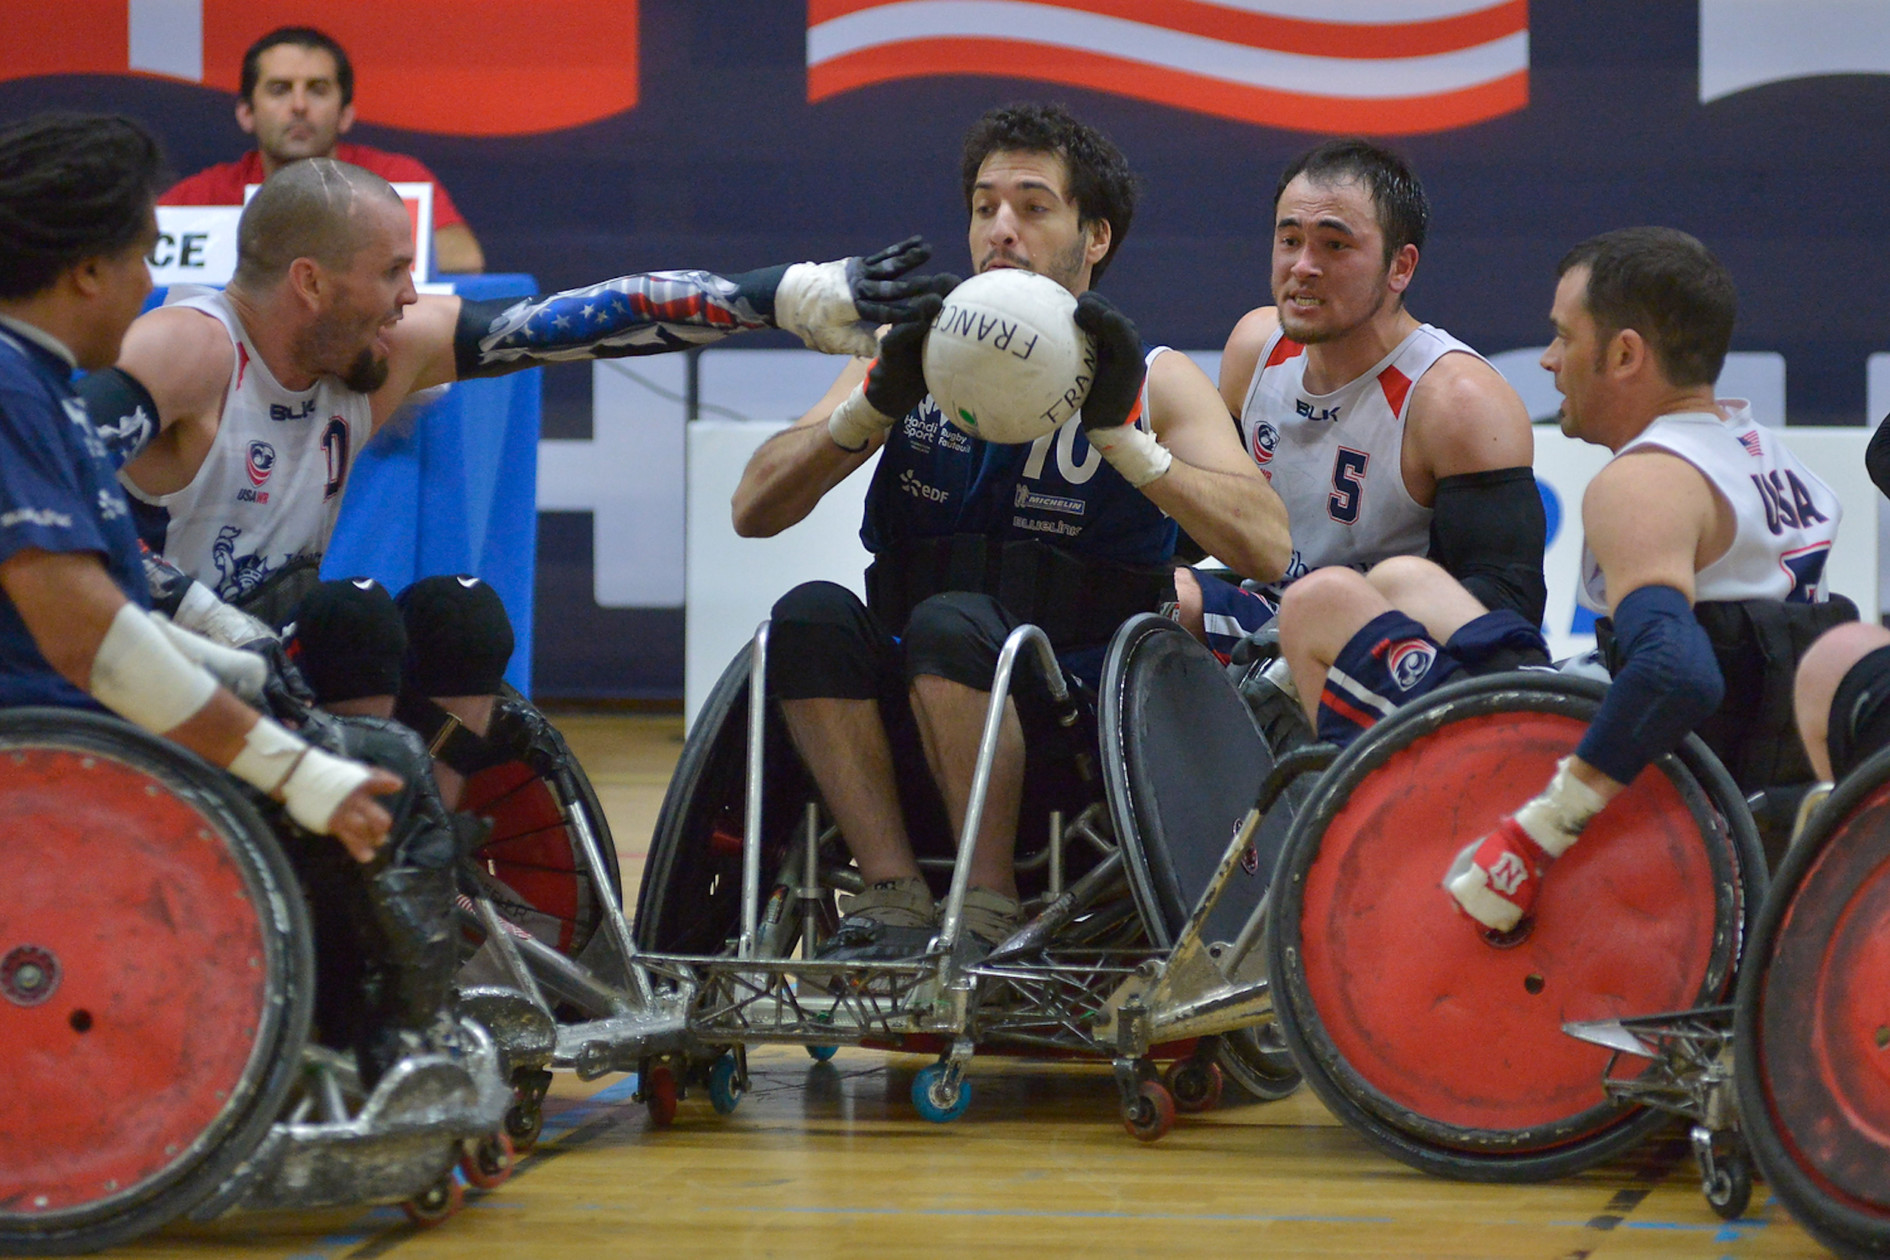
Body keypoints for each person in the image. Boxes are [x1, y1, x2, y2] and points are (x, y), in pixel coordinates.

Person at [83, 155, 948, 800]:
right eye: (391, 272)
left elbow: (580, 321)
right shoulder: (191, 350)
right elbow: (40, 492)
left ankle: (420, 848)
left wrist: (779, 297)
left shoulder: (379, 351)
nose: (409, 296)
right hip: (148, 666)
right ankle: (366, 831)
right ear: (310, 281)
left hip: (276, 654)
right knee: (354, 616)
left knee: (458, 614)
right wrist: (204, 619)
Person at [730, 102, 1290, 959]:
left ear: (1094, 237)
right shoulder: (903, 352)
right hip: (913, 681)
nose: (1001, 228)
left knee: (955, 626)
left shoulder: (1153, 378)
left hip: (1076, 712)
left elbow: (1267, 546)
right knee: (808, 615)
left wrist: (1125, 442)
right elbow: (754, 509)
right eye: (985, 207)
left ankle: (985, 908)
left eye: (1033, 207)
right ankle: (892, 894)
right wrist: (870, 407)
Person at [0, 112, 489, 1083]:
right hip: (62, 749)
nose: (154, 284)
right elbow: (92, 638)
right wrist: (292, 767)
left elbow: (117, 604)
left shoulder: (39, 387)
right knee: (377, 762)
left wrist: (232, 659)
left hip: (83, 730)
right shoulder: (15, 394)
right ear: (86, 272)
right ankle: (381, 1056)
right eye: (143, 258)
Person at [1277, 228, 1843, 936]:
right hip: (1733, 776)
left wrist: (1543, 827)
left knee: (1319, 603)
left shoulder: (1647, 482)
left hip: (1651, 802)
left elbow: (1676, 675)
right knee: (1404, 579)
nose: (1547, 360)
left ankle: (1363, 907)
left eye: (1564, 337)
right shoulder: (1781, 465)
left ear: (1625, 354)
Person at [1181, 139, 1543, 659]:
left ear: (1400, 267)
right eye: (1289, 240)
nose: (1303, 266)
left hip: (1390, 645)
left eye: (1335, 245)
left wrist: (1329, 636)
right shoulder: (1254, 348)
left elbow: (1508, 603)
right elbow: (1204, 524)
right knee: (1159, 599)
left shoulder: (1457, 399)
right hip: (1268, 612)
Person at [160, 26, 486, 274]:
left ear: (345, 114)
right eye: (280, 89)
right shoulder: (206, 194)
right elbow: (142, 256)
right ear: (246, 113)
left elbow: (463, 256)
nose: (299, 105)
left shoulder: (393, 178)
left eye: (317, 89)